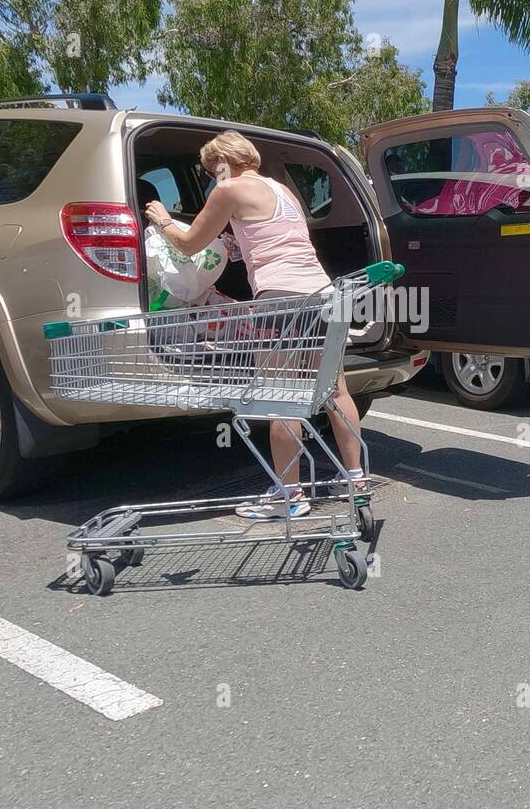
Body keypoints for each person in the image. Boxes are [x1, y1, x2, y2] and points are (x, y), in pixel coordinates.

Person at [143, 131, 366, 519]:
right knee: (335, 389)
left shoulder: (228, 190)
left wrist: (163, 220)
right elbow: (274, 236)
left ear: (223, 164)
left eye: (212, 171)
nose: (212, 179)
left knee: (279, 397)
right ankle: (355, 478)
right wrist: (236, 242)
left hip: (280, 299)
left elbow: (188, 244)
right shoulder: (281, 191)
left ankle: (289, 496)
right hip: (323, 293)